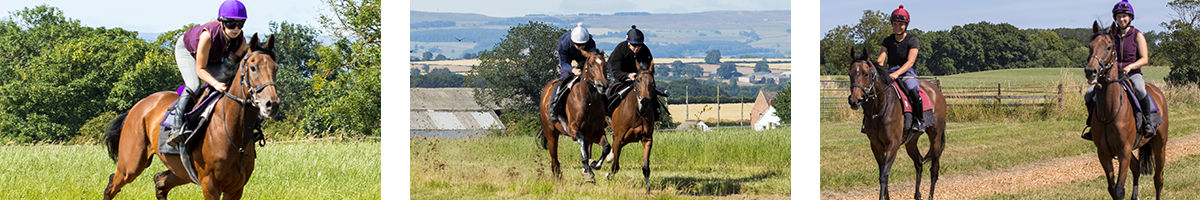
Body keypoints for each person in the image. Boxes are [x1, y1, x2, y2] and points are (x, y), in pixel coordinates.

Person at [165, 0, 249, 146]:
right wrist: (215, 83)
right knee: (194, 84)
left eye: (240, 24)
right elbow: (200, 69)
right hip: (188, 51)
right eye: (231, 24)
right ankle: (176, 127)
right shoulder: (207, 36)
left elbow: (238, 68)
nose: (236, 29)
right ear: (222, 22)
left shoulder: (240, 40)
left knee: (230, 85)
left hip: (213, 56)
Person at [1082, 0, 1159, 140]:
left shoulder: (1137, 35)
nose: (1121, 19)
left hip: (1132, 74)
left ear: (1130, 18)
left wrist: (1130, 66)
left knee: (1141, 89)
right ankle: (1093, 126)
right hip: (1113, 74)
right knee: (1089, 94)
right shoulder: (1111, 36)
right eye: (1118, 16)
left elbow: (1144, 59)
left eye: (1124, 16)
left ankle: (1148, 122)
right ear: (1115, 19)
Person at [876, 5, 934, 132]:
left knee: (913, 92)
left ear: (906, 25)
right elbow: (881, 59)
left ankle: (919, 120)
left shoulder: (912, 40)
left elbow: (910, 61)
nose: (897, 27)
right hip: (890, 71)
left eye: (901, 24)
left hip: (907, 72)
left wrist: (897, 73)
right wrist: (878, 70)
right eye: (895, 24)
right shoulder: (887, 40)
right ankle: (869, 121)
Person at [548, 22, 599, 122]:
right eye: (578, 45)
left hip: (583, 58)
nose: (580, 47)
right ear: (573, 41)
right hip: (567, 58)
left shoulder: (591, 43)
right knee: (565, 76)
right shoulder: (564, 43)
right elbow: (563, 63)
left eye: (583, 45)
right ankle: (553, 106)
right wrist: (573, 70)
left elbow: (590, 60)